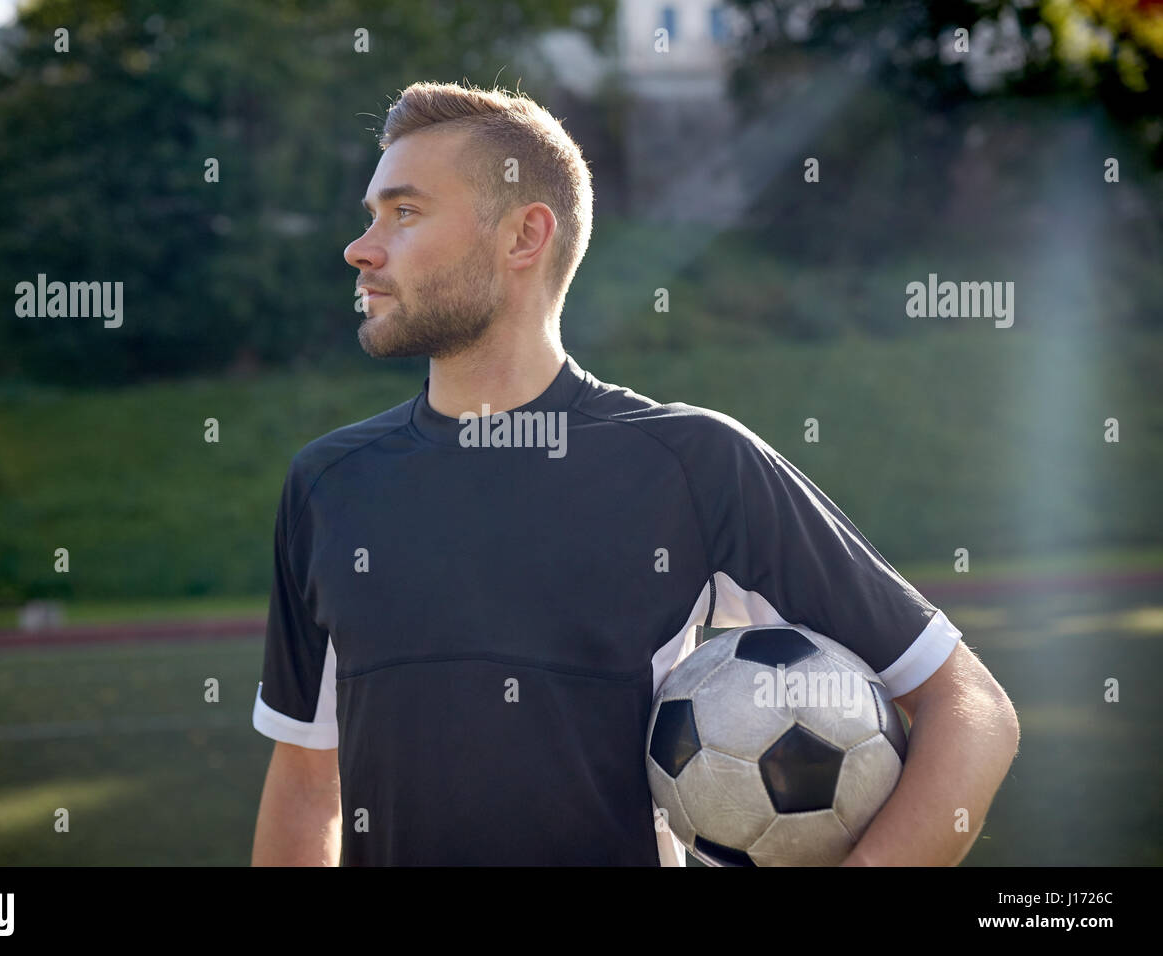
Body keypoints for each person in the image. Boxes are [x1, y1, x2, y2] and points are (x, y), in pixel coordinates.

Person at [250, 81, 1019, 866]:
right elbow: (309, 782)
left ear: (524, 236)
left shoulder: (692, 463)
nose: (362, 247)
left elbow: (969, 709)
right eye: (371, 215)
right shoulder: (328, 484)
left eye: (404, 213)